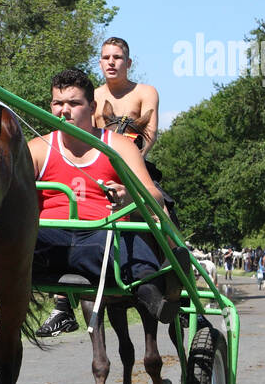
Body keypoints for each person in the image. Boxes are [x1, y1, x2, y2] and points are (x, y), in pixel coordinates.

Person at [30, 68, 173, 336]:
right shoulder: (38, 148)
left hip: (103, 236)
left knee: (132, 247)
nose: (64, 111)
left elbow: (152, 194)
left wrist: (126, 195)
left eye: (74, 103)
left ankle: (155, 293)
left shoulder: (118, 146)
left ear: (92, 107)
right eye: (58, 103)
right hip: (50, 240)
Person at [92, 37, 160, 154]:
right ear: (100, 64)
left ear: (128, 63)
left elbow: (150, 133)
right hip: (99, 162)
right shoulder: (92, 95)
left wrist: (134, 161)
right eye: (106, 58)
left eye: (117, 57)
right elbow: (87, 134)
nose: (111, 62)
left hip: (133, 163)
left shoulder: (146, 92)